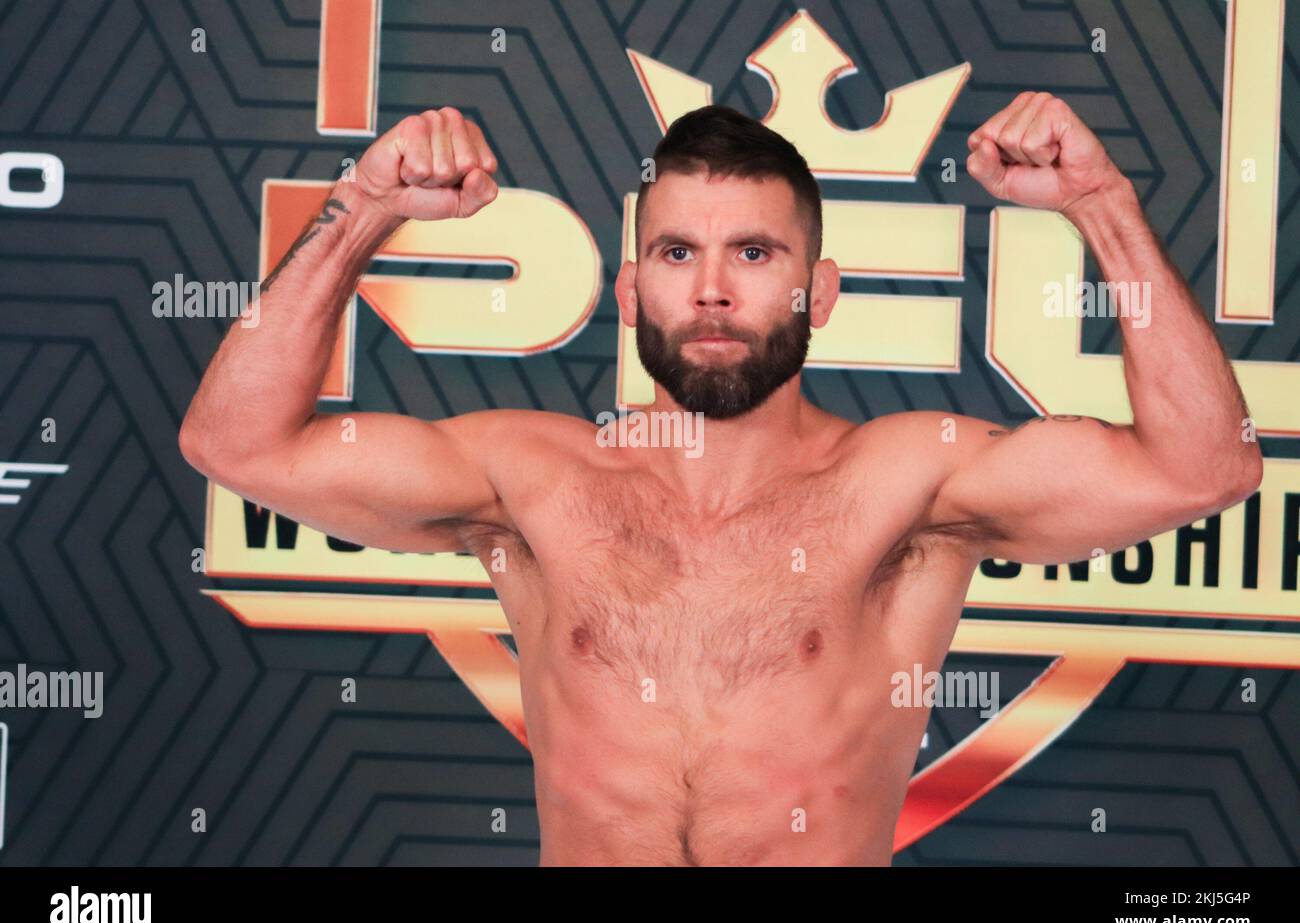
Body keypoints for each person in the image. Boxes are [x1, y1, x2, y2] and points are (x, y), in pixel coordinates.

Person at [179, 97, 1261, 865]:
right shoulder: (530, 478)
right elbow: (235, 443)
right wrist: (365, 205)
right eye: (675, 253)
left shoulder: (909, 483)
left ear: (818, 292)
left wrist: (1103, 206)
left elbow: (1202, 466)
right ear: (627, 287)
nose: (708, 290)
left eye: (752, 254)